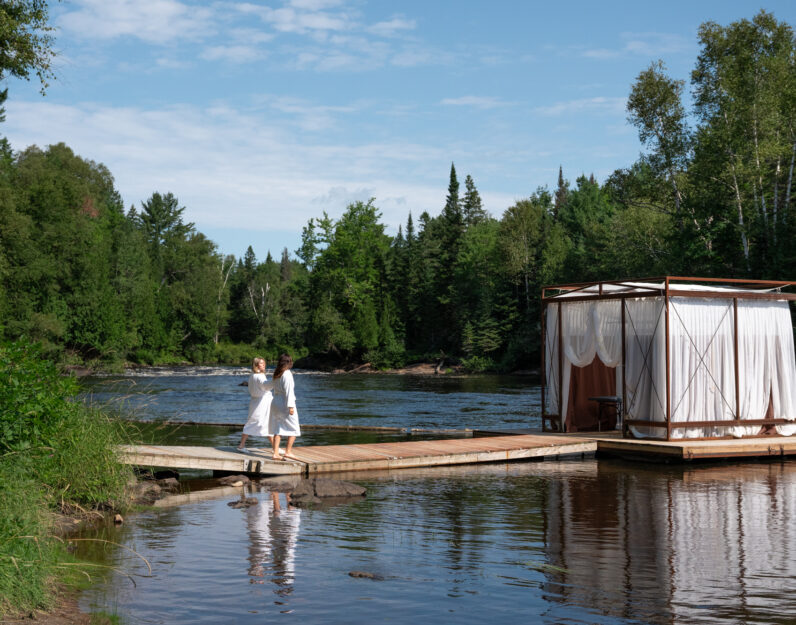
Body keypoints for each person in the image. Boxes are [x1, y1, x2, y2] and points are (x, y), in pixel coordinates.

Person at [237, 357, 274, 452]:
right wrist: (276, 382)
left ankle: (275, 447)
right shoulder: (259, 376)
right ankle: (241, 446)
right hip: (262, 403)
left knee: (263, 423)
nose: (264, 365)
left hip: (256, 402)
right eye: (262, 363)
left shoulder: (252, 376)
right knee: (259, 423)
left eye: (264, 363)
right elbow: (265, 385)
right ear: (256, 365)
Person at [270, 353, 300, 461]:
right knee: (294, 427)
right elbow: (289, 391)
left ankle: (275, 453)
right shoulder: (287, 374)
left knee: (278, 428)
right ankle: (288, 452)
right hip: (284, 402)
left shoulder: (277, 373)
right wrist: (291, 406)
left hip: (276, 402)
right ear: (289, 362)